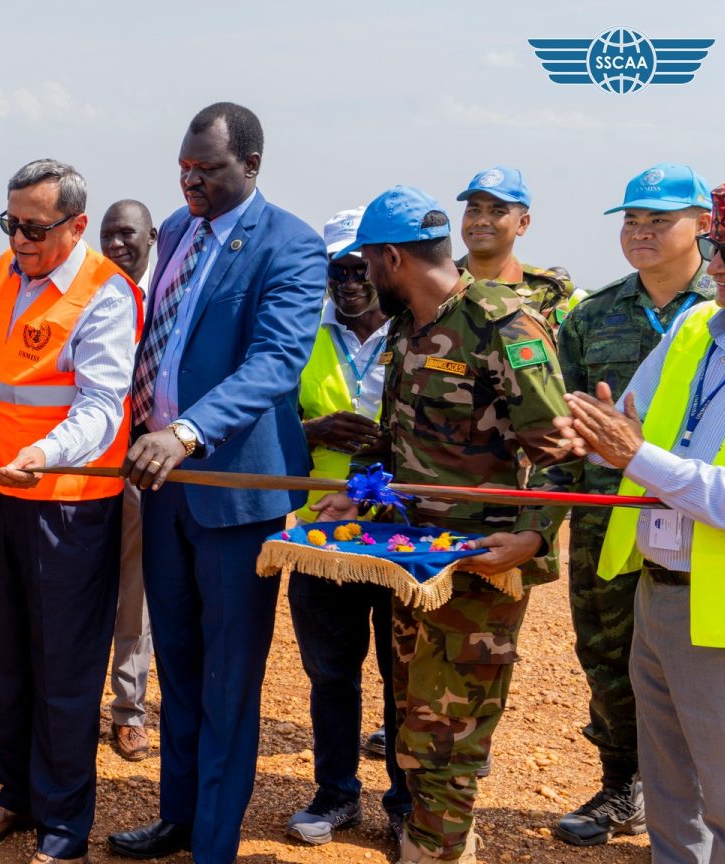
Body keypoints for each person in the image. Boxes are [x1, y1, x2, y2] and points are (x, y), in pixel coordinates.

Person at [312, 186, 575, 863]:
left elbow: (559, 452)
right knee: (416, 728)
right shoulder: (410, 329)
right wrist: (358, 495)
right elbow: (402, 445)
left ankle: (435, 852)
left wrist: (534, 537)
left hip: (477, 574)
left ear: (391, 258)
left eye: (367, 264)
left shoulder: (503, 326)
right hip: (414, 568)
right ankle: (437, 845)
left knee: (450, 741)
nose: (363, 279)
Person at [108, 102, 323, 864]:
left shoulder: (290, 245)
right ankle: (176, 817)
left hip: (234, 496)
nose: (190, 180)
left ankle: (213, 843)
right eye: (184, 168)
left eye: (207, 169)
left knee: (229, 678)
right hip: (163, 491)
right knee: (180, 662)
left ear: (252, 167)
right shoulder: (174, 229)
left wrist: (186, 431)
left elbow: (276, 360)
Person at [0, 158, 141, 864]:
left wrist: (42, 453)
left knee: (64, 668)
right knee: (8, 661)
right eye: (11, 223)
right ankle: (16, 795)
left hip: (68, 507)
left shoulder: (104, 293)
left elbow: (101, 406)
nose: (20, 239)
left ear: (77, 225)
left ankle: (64, 821)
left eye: (35, 227)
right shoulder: (4, 275)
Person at [557, 180, 725, 864]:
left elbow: (648, 456)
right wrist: (592, 432)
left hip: (719, 618)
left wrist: (637, 456)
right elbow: (630, 417)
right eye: (717, 247)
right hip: (658, 593)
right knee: (671, 798)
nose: (715, 266)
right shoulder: (696, 330)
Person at [286, 206, 410, 846]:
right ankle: (336, 794)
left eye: (360, 268)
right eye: (338, 270)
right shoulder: (301, 335)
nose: (350, 282)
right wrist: (312, 431)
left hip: (401, 540)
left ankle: (402, 801)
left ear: (385, 265)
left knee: (401, 675)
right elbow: (266, 423)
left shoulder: (419, 334)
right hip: (321, 537)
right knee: (331, 673)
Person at [97, 198, 158, 762]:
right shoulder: (86, 299)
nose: (117, 245)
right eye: (108, 234)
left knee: (134, 596)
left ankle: (129, 710)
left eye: (128, 234)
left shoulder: (165, 302)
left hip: (140, 469)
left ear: (151, 236)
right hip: (85, 470)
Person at [453, 165, 578, 330]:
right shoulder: (440, 280)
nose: (481, 221)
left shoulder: (545, 291)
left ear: (522, 223)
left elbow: (556, 353)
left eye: (497, 212)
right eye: (473, 210)